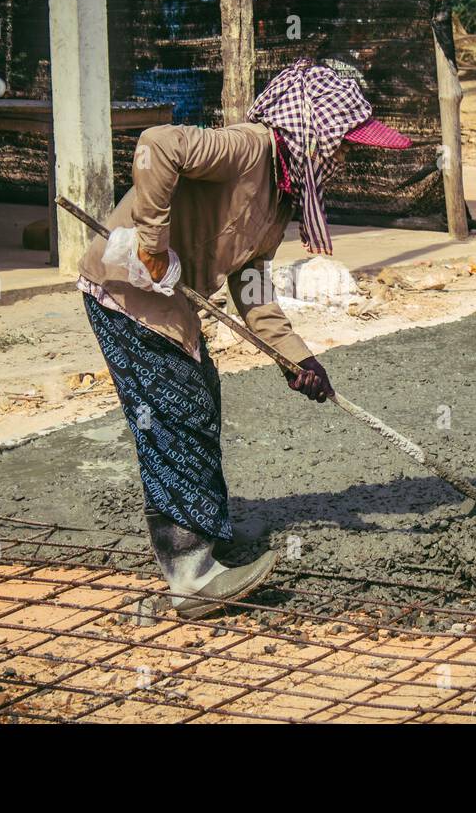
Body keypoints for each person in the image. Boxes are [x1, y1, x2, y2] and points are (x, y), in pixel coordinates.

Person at [78, 58, 412, 618]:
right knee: (175, 415)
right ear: (314, 130)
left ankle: (203, 533)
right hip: (125, 291)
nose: (347, 156)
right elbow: (157, 144)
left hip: (171, 303)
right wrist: (153, 242)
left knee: (198, 402)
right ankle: (190, 573)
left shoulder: (278, 200)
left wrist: (297, 357)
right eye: (345, 143)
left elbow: (252, 286)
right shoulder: (247, 149)